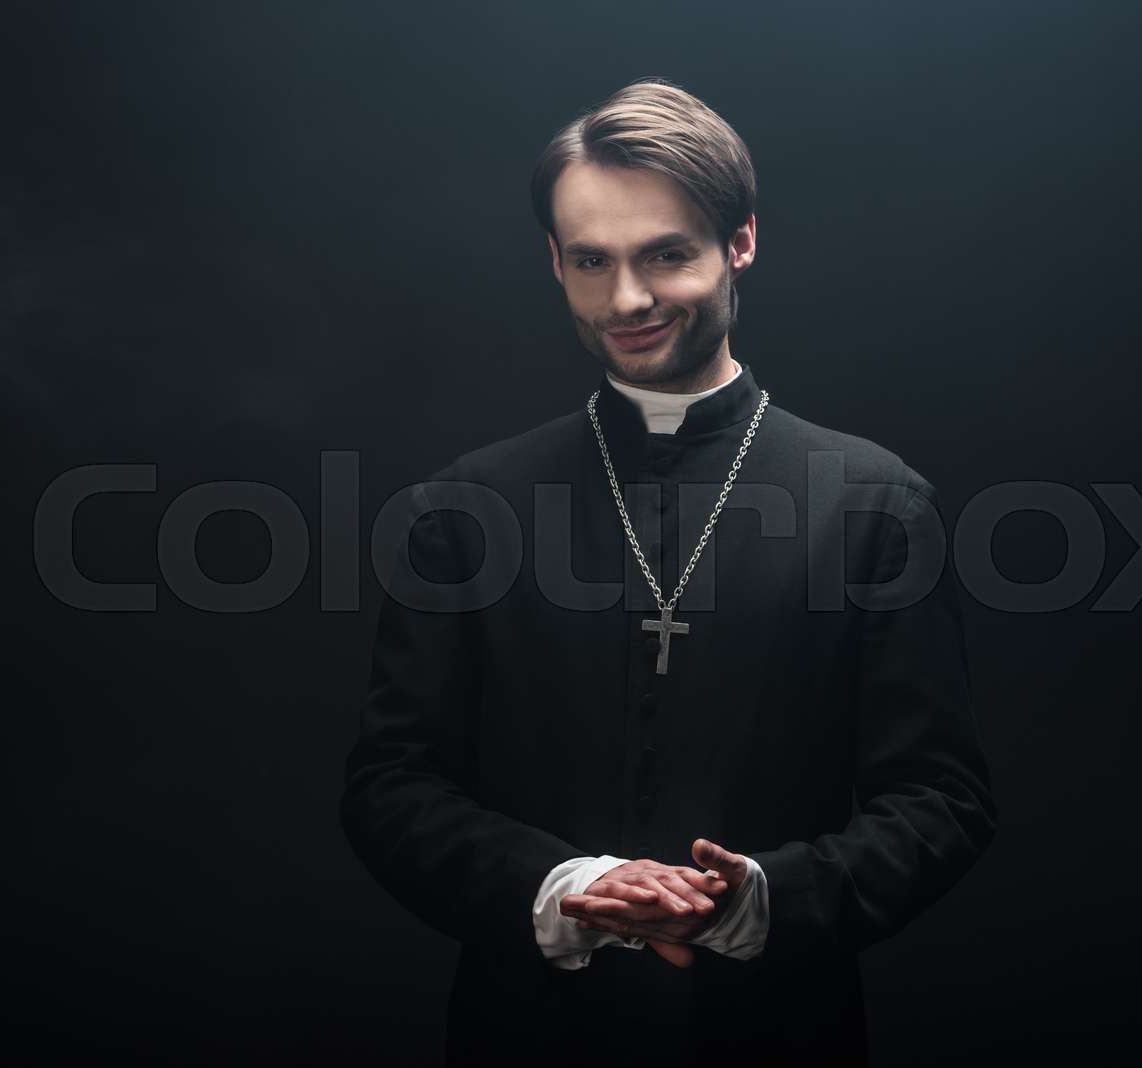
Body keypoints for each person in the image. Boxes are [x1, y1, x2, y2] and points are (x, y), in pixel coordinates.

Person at [340, 76, 997, 1066]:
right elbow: (391, 786)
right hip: (525, 1037)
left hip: (781, 1033)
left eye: (666, 256)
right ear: (554, 262)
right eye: (592, 262)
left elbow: (939, 799)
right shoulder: (462, 507)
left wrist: (758, 900)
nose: (628, 299)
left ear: (741, 243)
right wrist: (562, 887)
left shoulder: (874, 502)